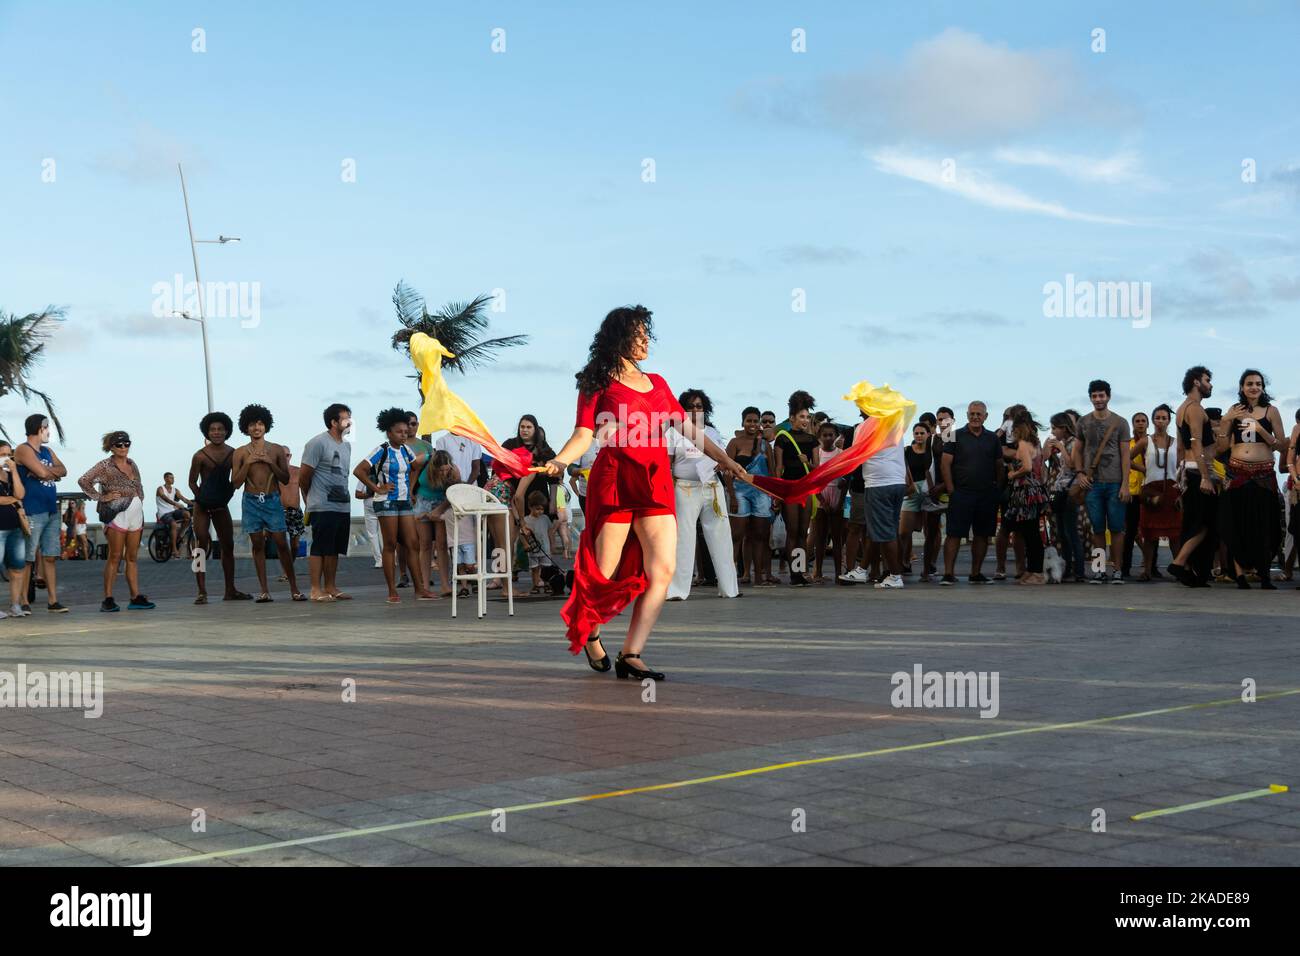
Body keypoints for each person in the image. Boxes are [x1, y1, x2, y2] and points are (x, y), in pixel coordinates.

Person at [538, 305, 747, 680]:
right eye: (639, 333)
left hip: (654, 481)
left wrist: (726, 461)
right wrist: (560, 460)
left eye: (647, 332)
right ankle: (591, 631)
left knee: (662, 570)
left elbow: (690, 430)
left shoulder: (660, 383)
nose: (647, 338)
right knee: (605, 570)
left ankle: (631, 653)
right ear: (620, 337)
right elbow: (584, 433)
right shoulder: (596, 382)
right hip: (615, 478)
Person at [666, 389, 739, 600]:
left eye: (699, 406)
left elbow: (723, 459)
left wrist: (720, 465)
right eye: (690, 406)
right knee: (684, 539)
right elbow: (667, 465)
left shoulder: (713, 433)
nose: (695, 410)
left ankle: (729, 588)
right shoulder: (673, 433)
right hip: (685, 488)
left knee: (721, 536)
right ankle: (678, 590)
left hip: (712, 487)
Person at [230, 404, 306, 603]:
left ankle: (294, 589)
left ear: (266, 426)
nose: (256, 428)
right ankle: (264, 590)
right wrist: (248, 463)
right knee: (257, 544)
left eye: (260, 424)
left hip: (273, 500)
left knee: (282, 542)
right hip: (251, 501)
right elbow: (236, 483)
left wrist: (270, 462)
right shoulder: (239, 453)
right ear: (246, 428)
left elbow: (285, 478)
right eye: (252, 425)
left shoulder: (276, 450)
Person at [354, 407, 431, 603]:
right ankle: (391, 591)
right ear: (389, 432)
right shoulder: (382, 450)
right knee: (390, 545)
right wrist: (376, 488)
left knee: (412, 543)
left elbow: (416, 467)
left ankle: (420, 589)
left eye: (406, 431)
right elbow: (359, 470)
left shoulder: (406, 450)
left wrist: (411, 488)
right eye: (399, 431)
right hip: (386, 502)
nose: (404, 435)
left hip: (404, 501)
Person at [1218, 369, 1285, 589]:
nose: (1254, 387)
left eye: (1258, 383)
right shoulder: (1234, 411)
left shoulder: (1271, 411)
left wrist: (1260, 429)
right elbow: (1220, 447)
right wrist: (1226, 421)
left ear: (1263, 387)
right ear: (1241, 387)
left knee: (1265, 525)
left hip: (1264, 474)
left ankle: (1264, 574)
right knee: (1238, 525)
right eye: (1249, 383)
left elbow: (1281, 445)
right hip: (1238, 473)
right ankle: (1239, 575)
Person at [78, 430, 155, 611]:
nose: (123, 447)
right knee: (115, 556)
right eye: (119, 444)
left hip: (135, 515)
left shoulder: (132, 463)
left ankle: (135, 597)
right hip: (116, 515)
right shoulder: (105, 465)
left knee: (132, 557)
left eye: (126, 443)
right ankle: (108, 599)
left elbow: (138, 484)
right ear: (111, 447)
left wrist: (139, 498)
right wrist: (101, 497)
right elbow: (84, 480)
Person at [1072, 380, 1131, 585]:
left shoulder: (1121, 422)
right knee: (1097, 529)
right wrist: (1079, 473)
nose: (1098, 399)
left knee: (1116, 529)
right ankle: (1099, 570)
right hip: (1092, 483)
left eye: (1101, 395)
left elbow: (1126, 455)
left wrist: (1125, 484)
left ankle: (1117, 570)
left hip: (1115, 482)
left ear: (1108, 396)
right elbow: (1077, 450)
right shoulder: (1083, 422)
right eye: (1095, 396)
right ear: (1090, 397)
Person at [188, 412, 251, 603]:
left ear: (227, 431)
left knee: (228, 545)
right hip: (203, 505)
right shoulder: (199, 456)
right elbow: (191, 482)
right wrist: (203, 499)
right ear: (207, 432)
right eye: (213, 429)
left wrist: (227, 493)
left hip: (221, 504)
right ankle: (201, 591)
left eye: (220, 429)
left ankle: (230, 590)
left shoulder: (233, 453)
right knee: (202, 543)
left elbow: (236, 479)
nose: (216, 432)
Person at [938, 401, 1002, 585]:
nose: (975, 417)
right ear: (967, 415)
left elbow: (999, 466)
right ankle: (948, 574)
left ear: (986, 416)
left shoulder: (993, 439)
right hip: (961, 493)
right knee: (954, 534)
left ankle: (976, 574)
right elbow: (945, 464)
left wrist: (996, 489)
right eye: (972, 413)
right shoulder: (952, 436)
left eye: (979, 414)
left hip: (986, 494)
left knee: (982, 535)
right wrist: (951, 490)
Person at [1170, 367, 1220, 587]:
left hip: (1189, 471)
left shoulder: (1182, 409)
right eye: (1208, 380)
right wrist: (1205, 477)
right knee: (1204, 525)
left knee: (1193, 524)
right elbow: (1196, 444)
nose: (1210, 384)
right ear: (1196, 382)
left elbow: (1181, 448)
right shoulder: (1196, 409)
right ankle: (1179, 563)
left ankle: (1190, 570)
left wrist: (1180, 480)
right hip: (1199, 472)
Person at [299, 403, 354, 601]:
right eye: (346, 418)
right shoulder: (317, 443)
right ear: (333, 422)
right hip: (321, 504)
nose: (350, 422)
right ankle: (315, 589)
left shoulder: (347, 445)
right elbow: (304, 476)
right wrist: (309, 499)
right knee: (320, 547)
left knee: (334, 548)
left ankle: (331, 586)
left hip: (342, 504)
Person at [15, 414, 69, 613]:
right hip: (32, 510)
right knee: (28, 558)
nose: (49, 432)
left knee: (50, 556)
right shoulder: (23, 449)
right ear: (40, 427)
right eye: (47, 428)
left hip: (51, 510)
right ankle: (23, 601)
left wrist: (46, 471)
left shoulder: (47, 451)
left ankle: (53, 601)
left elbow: (63, 470)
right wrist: (47, 472)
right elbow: (46, 473)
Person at [847, 416, 909, 589]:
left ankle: (895, 576)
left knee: (885, 532)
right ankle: (862, 569)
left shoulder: (863, 427)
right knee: (881, 529)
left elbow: (856, 454)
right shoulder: (895, 425)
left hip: (878, 483)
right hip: (897, 482)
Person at [726, 407, 776, 588]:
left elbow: (771, 472)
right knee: (737, 536)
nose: (753, 424)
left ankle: (758, 578)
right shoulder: (734, 443)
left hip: (761, 493)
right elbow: (727, 472)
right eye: (749, 421)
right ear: (742, 422)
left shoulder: (765, 446)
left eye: (756, 421)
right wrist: (731, 496)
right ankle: (729, 577)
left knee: (760, 536)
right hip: (739, 492)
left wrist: (773, 495)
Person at [1003, 410, 1051, 585]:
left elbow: (1027, 467)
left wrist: (1012, 474)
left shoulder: (1023, 444)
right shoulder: (1035, 443)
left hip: (1026, 493)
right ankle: (1032, 570)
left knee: (1030, 535)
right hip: (1035, 492)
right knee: (1030, 533)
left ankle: (1036, 572)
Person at [773, 405, 818, 586]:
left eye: (808, 417)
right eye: (802, 417)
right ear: (792, 418)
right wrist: (776, 495)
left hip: (806, 488)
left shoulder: (812, 439)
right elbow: (778, 468)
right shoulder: (782, 438)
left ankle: (800, 570)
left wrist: (807, 462)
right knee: (792, 532)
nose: (805, 420)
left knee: (802, 532)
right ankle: (794, 574)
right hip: (789, 488)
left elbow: (817, 468)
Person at [1137, 404, 1181, 581]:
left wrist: (1181, 489)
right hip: (1151, 489)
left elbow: (1182, 465)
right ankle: (1147, 570)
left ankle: (1179, 568)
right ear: (1153, 420)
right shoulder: (1145, 441)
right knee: (1149, 534)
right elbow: (1126, 457)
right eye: (1157, 418)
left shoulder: (1176, 443)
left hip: (1172, 488)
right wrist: (1143, 469)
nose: (1160, 421)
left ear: (1169, 421)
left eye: (1164, 418)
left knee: (1175, 534)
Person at [1044, 413, 1086, 583]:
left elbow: (1073, 465)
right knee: (1062, 532)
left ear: (1063, 427)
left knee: (1071, 532)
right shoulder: (1064, 442)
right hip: (1060, 489)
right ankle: (1068, 567)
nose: (1053, 432)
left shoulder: (1075, 442)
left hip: (1071, 491)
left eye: (1055, 428)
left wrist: (1061, 449)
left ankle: (1079, 570)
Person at [414, 450, 458, 597]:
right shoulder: (423, 460)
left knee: (442, 544)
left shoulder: (453, 471)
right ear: (434, 467)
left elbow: (455, 493)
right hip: (422, 501)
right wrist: (409, 493)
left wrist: (439, 510)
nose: (444, 473)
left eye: (446, 469)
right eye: (441, 471)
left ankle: (445, 584)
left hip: (443, 502)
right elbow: (408, 470)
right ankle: (424, 585)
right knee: (425, 544)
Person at [810, 420, 845, 582]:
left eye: (831, 435)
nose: (828, 438)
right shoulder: (816, 452)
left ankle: (839, 573)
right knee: (820, 538)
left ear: (836, 436)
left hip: (837, 496)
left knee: (837, 538)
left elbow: (845, 480)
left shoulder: (841, 453)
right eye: (825, 435)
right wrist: (821, 500)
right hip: (820, 497)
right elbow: (814, 480)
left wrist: (839, 503)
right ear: (819, 436)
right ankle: (818, 572)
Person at [899, 421, 933, 579]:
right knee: (904, 531)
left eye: (922, 433)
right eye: (916, 433)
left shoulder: (932, 451)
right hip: (912, 492)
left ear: (928, 434)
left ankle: (928, 567)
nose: (919, 436)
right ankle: (905, 561)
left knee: (929, 532)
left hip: (928, 491)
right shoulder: (906, 450)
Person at [0, 443, 29, 617]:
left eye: (8, 454)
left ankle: (15, 606)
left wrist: (15, 471)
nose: (6, 457)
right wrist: (12, 499)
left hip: (15, 527)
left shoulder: (11, 474)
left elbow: (20, 494)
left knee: (17, 567)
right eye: (2, 454)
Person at [1121, 412, 1149, 578]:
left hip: (1149, 488)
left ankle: (1150, 567)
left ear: (1147, 424)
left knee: (1150, 531)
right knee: (1130, 532)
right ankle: (1125, 567)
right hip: (1132, 491)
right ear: (1133, 424)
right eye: (1137, 421)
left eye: (1143, 421)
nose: (1140, 424)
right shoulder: (1128, 443)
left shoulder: (1153, 442)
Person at [521, 490, 553, 594]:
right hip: (533, 549)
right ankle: (535, 585)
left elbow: (550, 532)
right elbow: (521, 534)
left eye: (542, 509)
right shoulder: (526, 520)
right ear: (530, 507)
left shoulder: (545, 518)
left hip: (545, 548)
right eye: (537, 509)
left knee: (546, 568)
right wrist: (526, 544)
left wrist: (553, 545)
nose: (540, 511)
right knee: (534, 569)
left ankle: (547, 583)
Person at [155, 471, 192, 559]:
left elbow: (183, 498)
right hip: (163, 513)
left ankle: (180, 534)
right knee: (174, 524)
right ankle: (174, 550)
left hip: (172, 511)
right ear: (165, 478)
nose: (173, 479)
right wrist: (175, 504)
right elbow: (165, 498)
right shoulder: (160, 489)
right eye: (171, 477)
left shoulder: (175, 490)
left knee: (187, 514)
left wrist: (194, 504)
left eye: (173, 478)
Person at [279, 449, 304, 574]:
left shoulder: (298, 471)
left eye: (287, 455)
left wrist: (310, 507)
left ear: (290, 456)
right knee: (282, 544)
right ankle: (286, 571)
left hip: (295, 512)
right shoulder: (274, 472)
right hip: (278, 512)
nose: (285, 457)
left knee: (295, 546)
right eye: (282, 455)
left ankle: (289, 568)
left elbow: (304, 491)